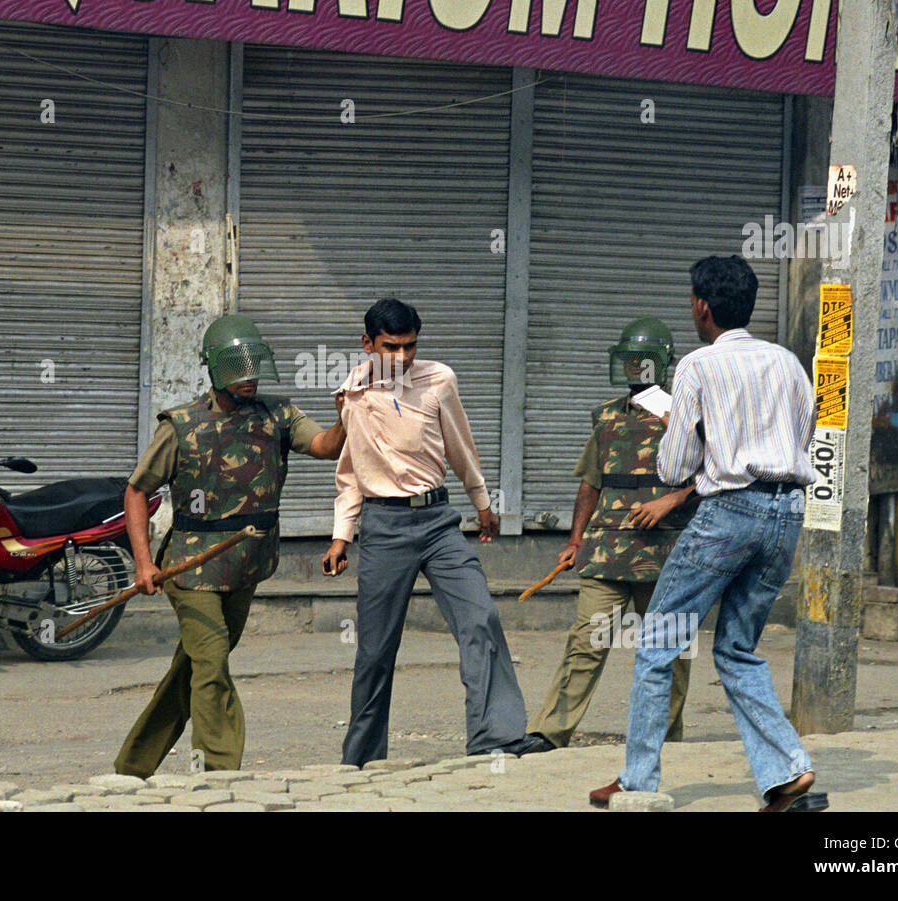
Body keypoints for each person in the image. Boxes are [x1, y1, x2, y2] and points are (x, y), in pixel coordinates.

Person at [588, 255, 826, 812]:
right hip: (787, 513)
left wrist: (682, 430)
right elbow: (801, 435)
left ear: (701, 306)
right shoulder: (790, 362)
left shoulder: (697, 366)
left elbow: (673, 470)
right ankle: (788, 772)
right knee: (738, 649)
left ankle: (638, 781)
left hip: (729, 514)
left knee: (656, 645)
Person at [114, 314, 345, 777]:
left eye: (254, 367)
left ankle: (133, 766)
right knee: (213, 661)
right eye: (237, 368)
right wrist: (142, 562)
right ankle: (218, 776)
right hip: (189, 570)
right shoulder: (181, 426)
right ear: (215, 370)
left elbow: (325, 446)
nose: (249, 378)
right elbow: (137, 491)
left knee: (196, 668)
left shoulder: (278, 415)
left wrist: (346, 417)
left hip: (245, 567)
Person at [324, 298, 549, 766]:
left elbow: (460, 446)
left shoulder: (438, 380)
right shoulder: (353, 395)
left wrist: (482, 503)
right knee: (375, 648)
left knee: (480, 617)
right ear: (367, 344)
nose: (403, 357)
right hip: (383, 527)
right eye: (391, 347)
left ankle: (497, 735)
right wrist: (341, 536)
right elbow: (349, 473)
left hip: (439, 523)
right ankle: (361, 759)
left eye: (410, 346)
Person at [527, 317, 696, 750]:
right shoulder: (605, 417)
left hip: (667, 553)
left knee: (670, 653)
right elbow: (590, 483)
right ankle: (549, 733)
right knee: (586, 642)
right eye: (628, 360)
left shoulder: (686, 415)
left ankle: (662, 739)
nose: (634, 368)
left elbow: (715, 473)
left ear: (662, 364)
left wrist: (671, 500)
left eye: (643, 360)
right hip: (605, 551)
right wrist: (574, 540)